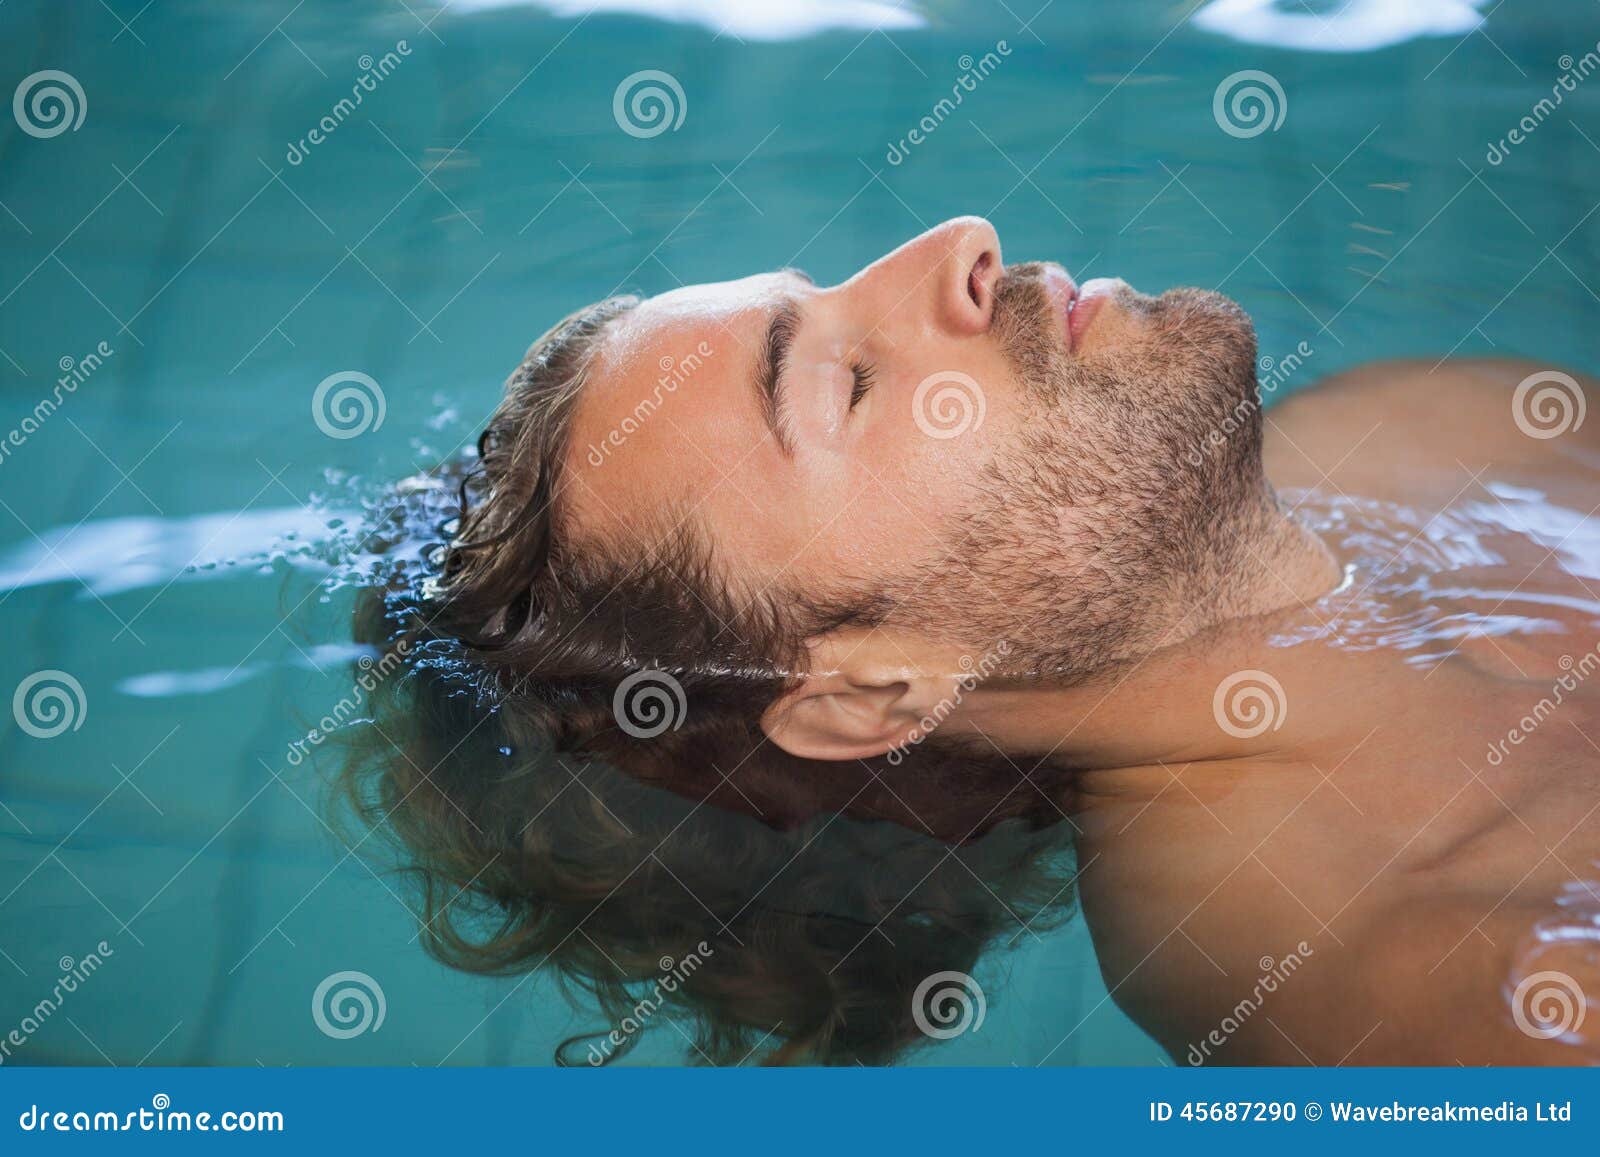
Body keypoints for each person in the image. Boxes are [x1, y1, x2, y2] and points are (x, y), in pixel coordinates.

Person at [338, 216, 1600, 1065]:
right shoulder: (1464, 988)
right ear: (872, 691)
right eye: (848, 384)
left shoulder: (1438, 430)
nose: (960, 243)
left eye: (826, 294)